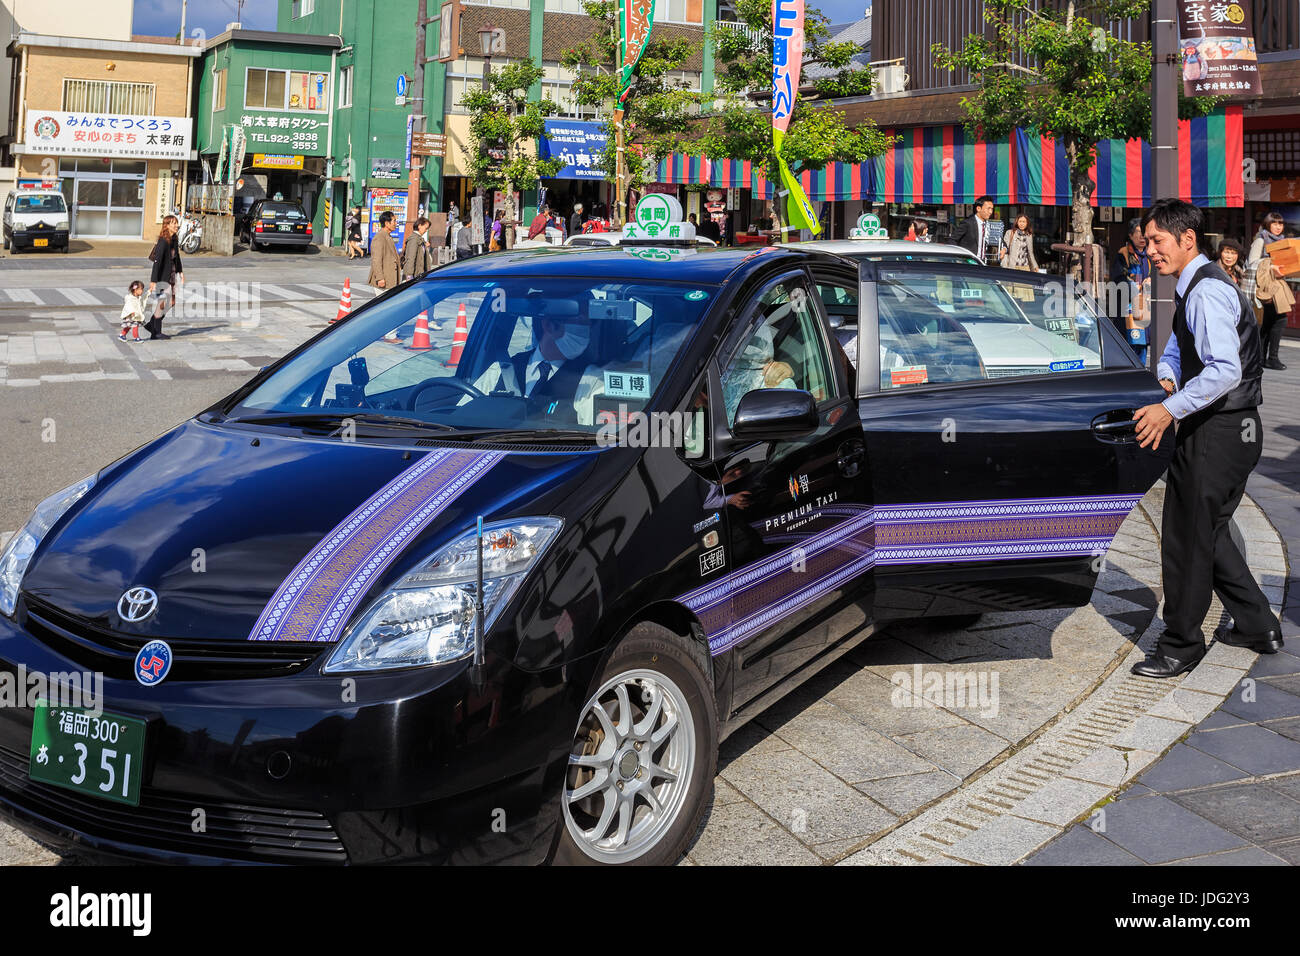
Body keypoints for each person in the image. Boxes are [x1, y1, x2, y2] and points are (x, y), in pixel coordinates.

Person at [1130, 199, 1280, 678]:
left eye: (1157, 240)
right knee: (1208, 534)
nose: (1149, 250)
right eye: (1146, 241)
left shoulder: (1205, 291)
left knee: (1184, 537)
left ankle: (1180, 645)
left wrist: (1167, 408)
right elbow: (1181, 345)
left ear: (1186, 239)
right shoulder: (1198, 284)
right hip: (1230, 429)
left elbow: (1223, 370)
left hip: (1218, 431)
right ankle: (1258, 625)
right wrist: (1170, 373)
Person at [469, 300, 598, 424]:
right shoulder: (501, 370)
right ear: (549, 325)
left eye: (590, 323)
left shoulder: (591, 381)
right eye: (581, 321)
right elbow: (462, 418)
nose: (588, 330)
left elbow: (594, 441)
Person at [1246, 212, 1290, 370]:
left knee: (1275, 320)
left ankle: (1265, 358)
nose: (1278, 227)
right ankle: (1268, 358)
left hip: (1277, 284)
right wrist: (1271, 265)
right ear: (1268, 224)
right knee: (1274, 320)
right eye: (1275, 223)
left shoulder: (1283, 241)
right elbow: (1252, 262)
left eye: (1281, 224)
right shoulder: (1261, 239)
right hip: (1264, 286)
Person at [146, 214, 183, 340]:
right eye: (173, 223)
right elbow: (157, 262)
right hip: (162, 278)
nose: (176, 225)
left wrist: (180, 271)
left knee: (171, 302)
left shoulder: (174, 240)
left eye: (176, 223)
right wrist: (153, 281)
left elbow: (177, 257)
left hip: (171, 277)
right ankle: (156, 332)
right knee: (161, 304)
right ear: (166, 226)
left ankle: (152, 324)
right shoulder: (163, 241)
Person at [953, 196, 994, 260]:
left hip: (984, 262)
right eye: (988, 209)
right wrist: (959, 258)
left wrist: (1004, 249)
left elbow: (1000, 240)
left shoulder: (989, 225)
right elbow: (953, 240)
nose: (990, 212)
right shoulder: (968, 223)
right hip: (969, 262)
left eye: (992, 209)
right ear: (978, 208)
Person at [366, 211, 399, 290]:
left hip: (389, 278)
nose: (396, 223)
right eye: (394, 221)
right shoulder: (379, 238)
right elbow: (376, 260)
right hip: (384, 280)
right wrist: (380, 278)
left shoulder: (387, 236)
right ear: (387, 223)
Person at [401, 216, 434, 282]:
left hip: (419, 273)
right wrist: (409, 275)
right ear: (419, 226)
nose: (426, 230)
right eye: (426, 228)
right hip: (414, 275)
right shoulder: (414, 239)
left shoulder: (419, 238)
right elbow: (410, 258)